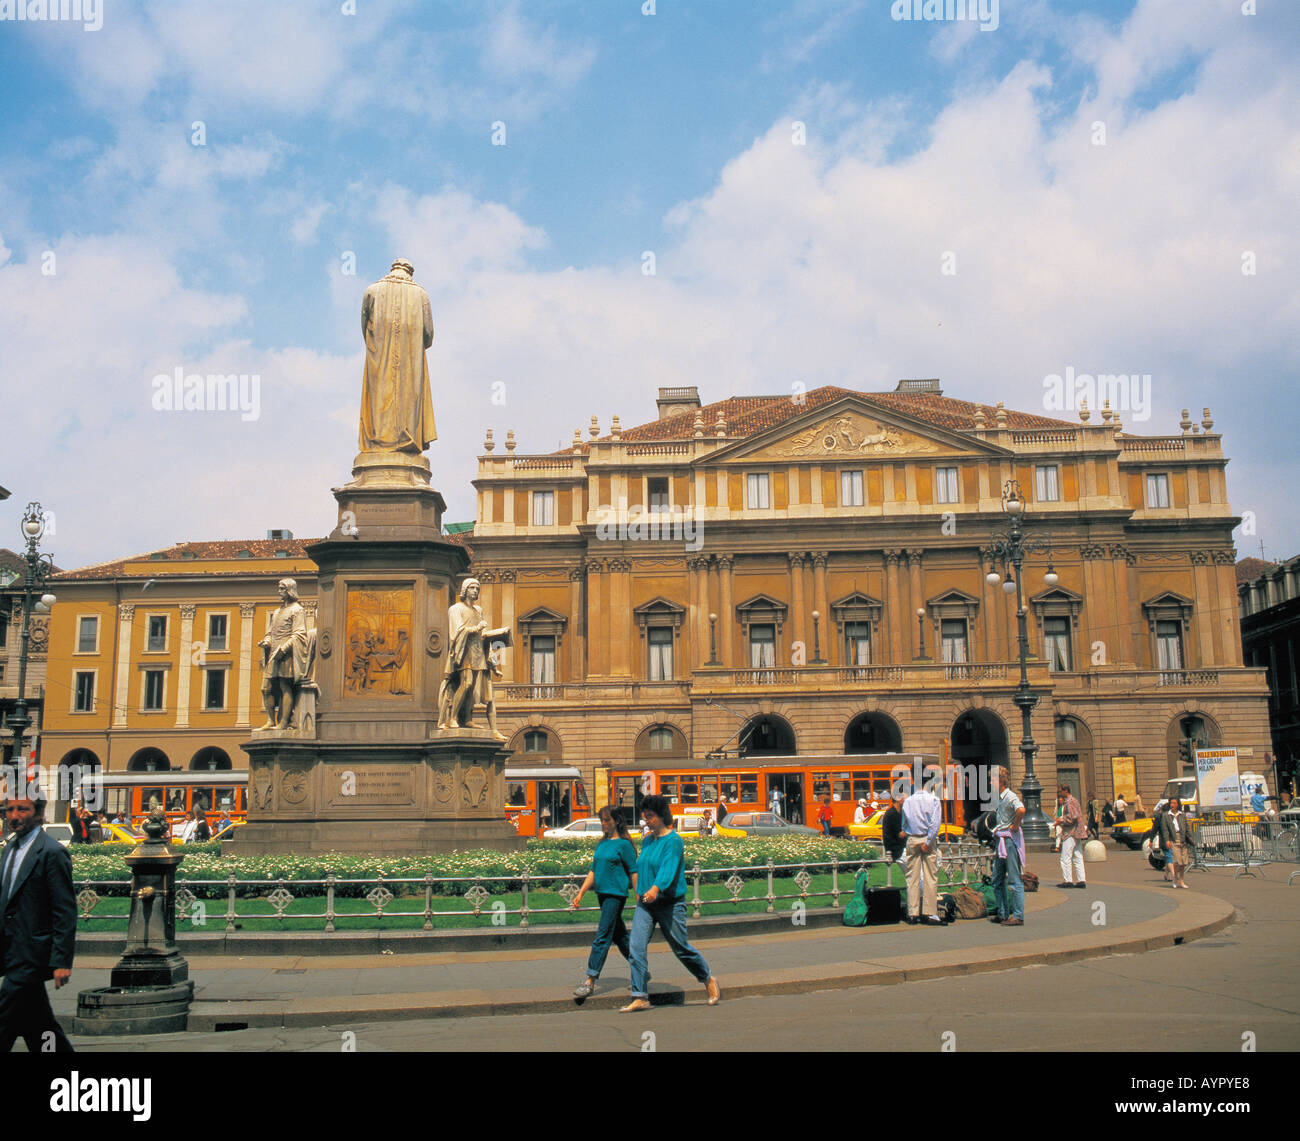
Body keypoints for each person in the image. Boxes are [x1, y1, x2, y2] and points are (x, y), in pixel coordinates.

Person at [621, 795, 720, 1013]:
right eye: (645, 816)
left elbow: (668, 869)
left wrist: (656, 889)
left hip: (669, 903)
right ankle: (640, 995)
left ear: (662, 816)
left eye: (651, 816)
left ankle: (707, 978)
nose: (647, 820)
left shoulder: (674, 842)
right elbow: (642, 867)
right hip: (646, 903)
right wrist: (640, 892)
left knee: (680, 947)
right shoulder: (647, 840)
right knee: (635, 947)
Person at [0, 783, 76, 1052]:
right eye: (9, 809)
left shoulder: (52, 852)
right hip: (11, 951)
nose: (14, 816)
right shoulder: (9, 850)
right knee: (39, 1026)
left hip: (32, 954)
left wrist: (61, 961)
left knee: (4, 1020)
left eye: (22, 809)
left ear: (39, 813)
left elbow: (64, 911)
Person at [571, 805, 638, 1002]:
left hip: (615, 894)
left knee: (602, 936)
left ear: (617, 821)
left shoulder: (624, 845)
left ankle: (590, 980)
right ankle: (641, 970)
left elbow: (634, 871)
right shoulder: (603, 843)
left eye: (607, 820)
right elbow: (593, 870)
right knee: (619, 936)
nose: (603, 823)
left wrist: (639, 895)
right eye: (602, 820)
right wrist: (580, 893)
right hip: (602, 893)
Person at [900, 780, 943, 925]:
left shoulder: (908, 801)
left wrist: (911, 833)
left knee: (912, 877)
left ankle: (912, 914)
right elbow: (935, 824)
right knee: (930, 876)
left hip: (912, 839)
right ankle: (930, 913)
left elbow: (904, 824)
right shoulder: (934, 800)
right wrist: (928, 841)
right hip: (927, 839)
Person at [991, 767, 1026, 927]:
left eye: (993, 779)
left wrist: (1014, 826)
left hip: (1009, 842)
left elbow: (1021, 809)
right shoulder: (999, 798)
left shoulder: (1010, 796)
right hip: (1001, 841)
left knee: (1013, 878)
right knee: (997, 879)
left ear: (1002, 781)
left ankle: (1018, 915)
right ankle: (1003, 913)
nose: (990, 782)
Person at [1055, 784, 1087, 889]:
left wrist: (1060, 821)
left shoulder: (1070, 802)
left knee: (1065, 857)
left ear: (1066, 791)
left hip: (1071, 832)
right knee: (1077, 855)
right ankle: (1081, 880)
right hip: (1077, 832)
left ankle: (1068, 880)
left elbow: (1072, 818)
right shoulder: (1074, 800)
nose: (1059, 793)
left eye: (1060, 791)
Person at [1160, 796, 1192, 888]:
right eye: (1171, 803)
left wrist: (1190, 838)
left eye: (1174, 803)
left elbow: (1187, 828)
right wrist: (1167, 840)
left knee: (1183, 862)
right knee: (1177, 861)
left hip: (1182, 838)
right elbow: (1165, 829)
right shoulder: (1166, 815)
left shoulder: (1182, 815)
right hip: (1173, 839)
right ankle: (1175, 879)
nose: (1172, 805)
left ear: (1178, 804)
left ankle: (1181, 880)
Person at [881, 795, 906, 864]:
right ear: (898, 799)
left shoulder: (900, 813)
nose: (905, 799)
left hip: (900, 850)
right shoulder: (891, 814)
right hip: (896, 852)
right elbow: (901, 834)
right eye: (903, 797)